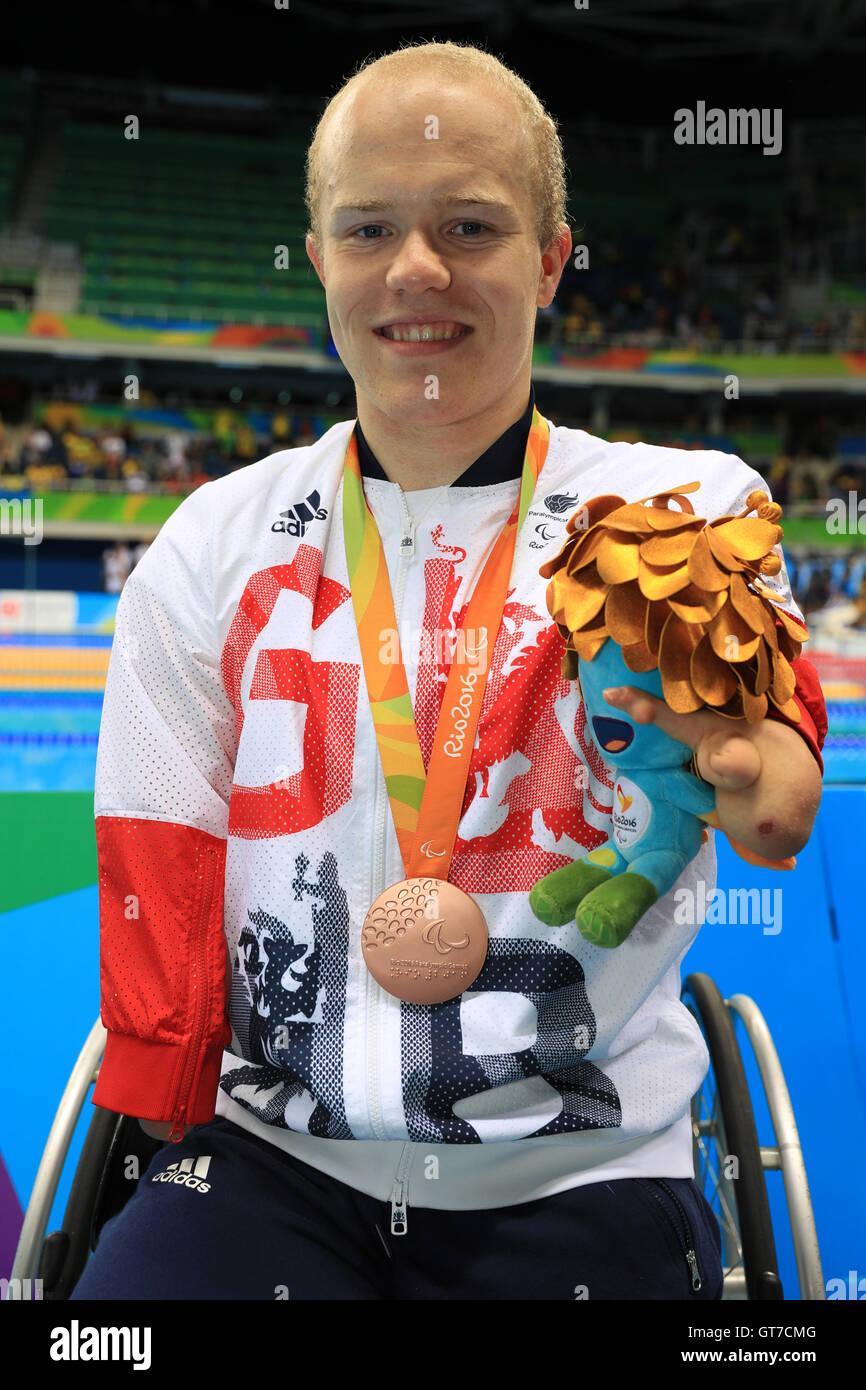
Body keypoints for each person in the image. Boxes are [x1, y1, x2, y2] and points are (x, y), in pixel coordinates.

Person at [72, 40, 826, 1302]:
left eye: (467, 226)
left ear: (547, 258)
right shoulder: (212, 540)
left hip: (587, 1166)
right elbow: (163, 837)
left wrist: (761, 752)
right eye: (368, 227)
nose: (414, 269)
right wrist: (162, 1075)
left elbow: (771, 778)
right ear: (318, 259)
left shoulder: (676, 514)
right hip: (267, 1159)